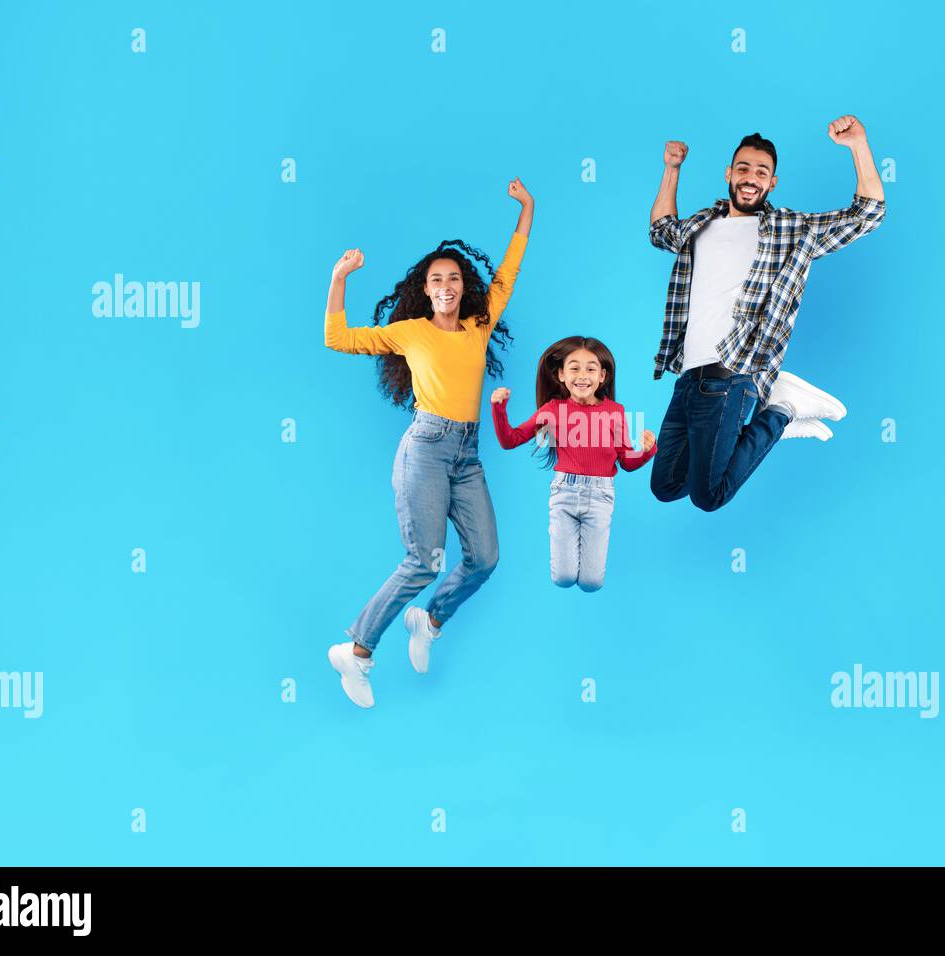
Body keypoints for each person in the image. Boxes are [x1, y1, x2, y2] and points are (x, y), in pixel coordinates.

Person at [322, 178, 535, 708]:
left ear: (464, 287)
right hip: (427, 447)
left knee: (485, 559)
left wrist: (527, 209)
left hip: (467, 453)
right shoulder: (412, 330)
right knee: (424, 558)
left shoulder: (479, 325)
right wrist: (339, 278)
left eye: (454, 278)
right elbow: (339, 338)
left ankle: (430, 619)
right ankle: (357, 650)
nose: (447, 285)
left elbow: (507, 274)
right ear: (427, 287)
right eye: (437, 279)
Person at [647, 115, 887, 512]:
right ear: (729, 173)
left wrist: (859, 145)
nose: (751, 177)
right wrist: (671, 170)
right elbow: (660, 230)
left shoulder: (791, 230)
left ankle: (780, 412)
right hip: (688, 377)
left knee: (709, 497)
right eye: (743, 168)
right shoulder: (700, 226)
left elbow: (867, 215)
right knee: (667, 485)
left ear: (771, 183)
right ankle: (776, 416)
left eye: (762, 172)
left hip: (732, 377)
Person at [491, 336, 656, 592]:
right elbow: (510, 440)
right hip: (564, 494)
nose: (582, 375)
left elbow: (627, 462)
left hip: (601, 496)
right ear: (561, 375)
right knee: (563, 577)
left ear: (602, 376)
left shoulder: (615, 412)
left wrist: (647, 450)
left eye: (591, 368)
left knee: (592, 582)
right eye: (574, 368)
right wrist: (499, 409)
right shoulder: (553, 409)